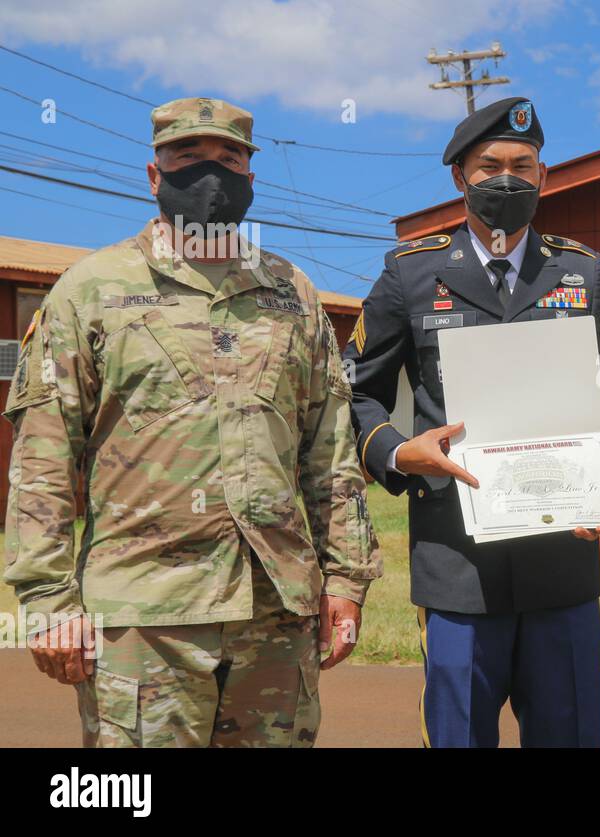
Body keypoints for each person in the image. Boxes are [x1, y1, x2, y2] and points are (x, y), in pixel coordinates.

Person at [3, 97, 379, 748]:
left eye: (228, 158)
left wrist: (346, 581)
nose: (210, 172)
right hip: (143, 619)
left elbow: (330, 448)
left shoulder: (292, 292)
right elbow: (44, 454)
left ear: (251, 178)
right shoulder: (90, 290)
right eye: (187, 158)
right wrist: (47, 601)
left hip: (275, 616)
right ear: (154, 176)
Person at [344, 97, 600, 748]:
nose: (506, 179)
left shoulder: (582, 273)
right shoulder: (410, 274)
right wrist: (397, 451)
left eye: (521, 165)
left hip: (562, 566)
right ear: (460, 179)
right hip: (457, 569)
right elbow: (353, 392)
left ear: (543, 176)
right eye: (488, 167)